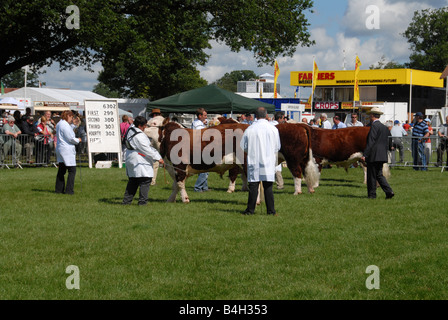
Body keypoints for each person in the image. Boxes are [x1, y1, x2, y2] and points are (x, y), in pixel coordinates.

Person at [240, 107, 281, 215]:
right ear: (266, 115)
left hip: (254, 160)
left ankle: (250, 210)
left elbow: (243, 146)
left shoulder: (250, 129)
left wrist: (251, 151)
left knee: (253, 186)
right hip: (268, 161)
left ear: (255, 116)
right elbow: (278, 146)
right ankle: (271, 210)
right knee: (268, 186)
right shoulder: (273, 129)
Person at [122, 116, 164, 205]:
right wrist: (158, 158)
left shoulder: (131, 129)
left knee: (133, 181)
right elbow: (147, 149)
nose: (146, 127)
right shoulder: (139, 136)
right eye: (144, 125)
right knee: (145, 180)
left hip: (131, 158)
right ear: (140, 126)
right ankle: (142, 202)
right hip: (139, 160)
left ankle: (126, 202)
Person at [361, 107, 394, 200]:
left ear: (372, 115)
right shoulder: (384, 127)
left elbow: (371, 141)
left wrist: (365, 154)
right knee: (379, 175)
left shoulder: (374, 126)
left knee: (371, 175)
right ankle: (389, 191)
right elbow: (389, 139)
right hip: (382, 154)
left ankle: (372, 195)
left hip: (373, 154)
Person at [55, 110, 81, 195]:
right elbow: (70, 138)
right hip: (66, 149)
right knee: (72, 170)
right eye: (71, 117)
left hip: (61, 148)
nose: (72, 118)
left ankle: (59, 189)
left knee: (62, 169)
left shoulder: (60, 124)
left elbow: (68, 130)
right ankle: (69, 190)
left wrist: (74, 125)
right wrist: (78, 140)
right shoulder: (64, 125)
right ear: (68, 116)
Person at [192, 108, 210, 192]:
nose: (206, 117)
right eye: (205, 115)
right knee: (204, 169)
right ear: (200, 116)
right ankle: (198, 187)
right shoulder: (198, 125)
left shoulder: (198, 123)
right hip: (199, 148)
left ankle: (204, 187)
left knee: (204, 169)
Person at [270, 111, 286, 190]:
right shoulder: (278, 126)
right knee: (277, 166)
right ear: (279, 118)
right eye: (283, 118)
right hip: (275, 148)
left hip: (266, 148)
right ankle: (280, 184)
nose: (283, 120)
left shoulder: (269, 124)